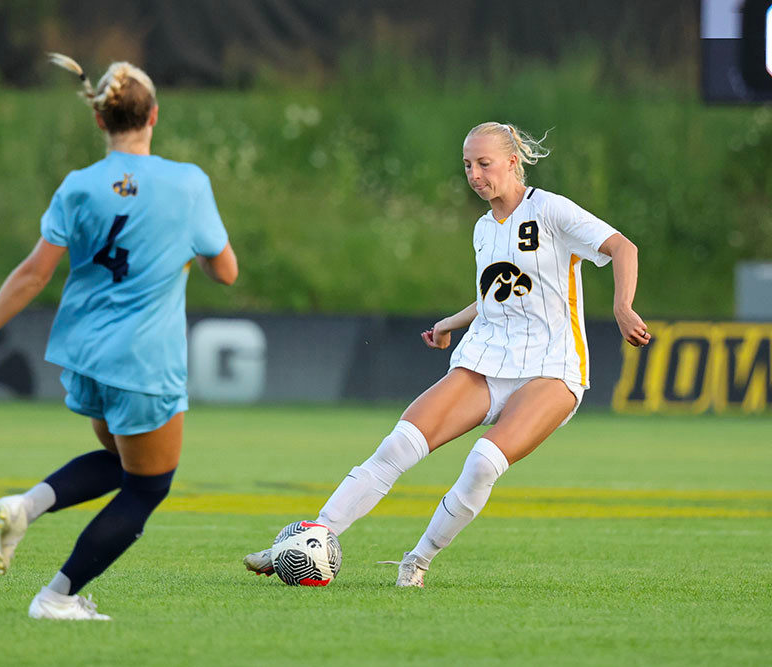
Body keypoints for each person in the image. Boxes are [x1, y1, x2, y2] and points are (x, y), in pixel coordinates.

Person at [244, 121, 649, 587]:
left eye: (484, 163)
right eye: (467, 165)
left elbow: (622, 247)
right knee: (396, 445)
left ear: (512, 162)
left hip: (552, 367)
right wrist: (450, 323)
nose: (474, 174)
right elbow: (495, 296)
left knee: (481, 463)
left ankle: (415, 562)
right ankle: (304, 542)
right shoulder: (483, 228)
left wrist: (622, 306)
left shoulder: (552, 210)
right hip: (486, 359)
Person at [0, 53, 238, 620]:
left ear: (100, 121)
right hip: (144, 359)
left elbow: (34, 272)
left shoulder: (78, 186)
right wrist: (186, 255)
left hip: (86, 355)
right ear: (153, 116)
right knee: (149, 487)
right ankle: (57, 597)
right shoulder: (187, 183)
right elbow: (226, 271)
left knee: (123, 462)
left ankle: (25, 507)